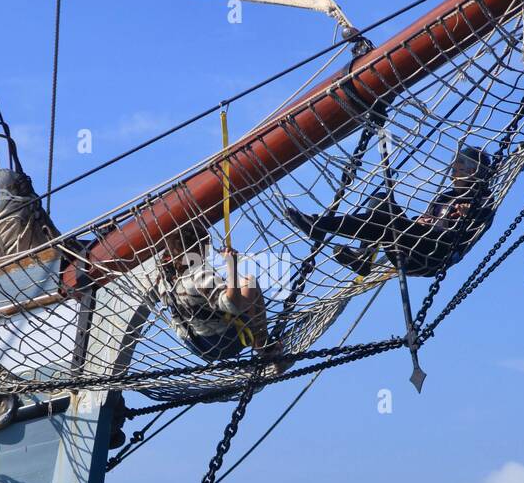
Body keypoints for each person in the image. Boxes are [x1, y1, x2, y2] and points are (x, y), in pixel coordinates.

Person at [284, 143, 495, 278]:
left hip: (434, 255)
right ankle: (364, 255)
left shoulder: (483, 199)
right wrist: (421, 220)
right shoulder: (445, 197)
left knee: (388, 220)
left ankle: (320, 226)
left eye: (460, 165)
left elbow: (480, 223)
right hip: (412, 245)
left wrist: (470, 215)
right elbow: (425, 218)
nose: (453, 169)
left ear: (474, 170)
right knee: (381, 199)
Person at [156, 225, 283, 367]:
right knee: (249, 282)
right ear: (197, 250)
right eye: (205, 249)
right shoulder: (198, 275)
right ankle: (264, 346)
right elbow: (233, 304)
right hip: (225, 341)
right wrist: (232, 266)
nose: (207, 255)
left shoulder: (163, 282)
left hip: (198, 347)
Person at [0, 155, 59, 264]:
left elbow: (14, 187)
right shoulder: (4, 174)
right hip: (20, 205)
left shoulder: (1, 176)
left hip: (17, 205)